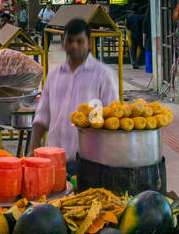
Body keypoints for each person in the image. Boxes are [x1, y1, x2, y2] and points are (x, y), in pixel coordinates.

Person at [31, 18, 118, 179]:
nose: (74, 46)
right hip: (53, 158)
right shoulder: (54, 74)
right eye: (70, 41)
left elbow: (113, 120)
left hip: (89, 161)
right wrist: (32, 150)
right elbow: (42, 116)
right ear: (63, 42)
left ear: (89, 43)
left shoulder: (104, 75)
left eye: (80, 41)